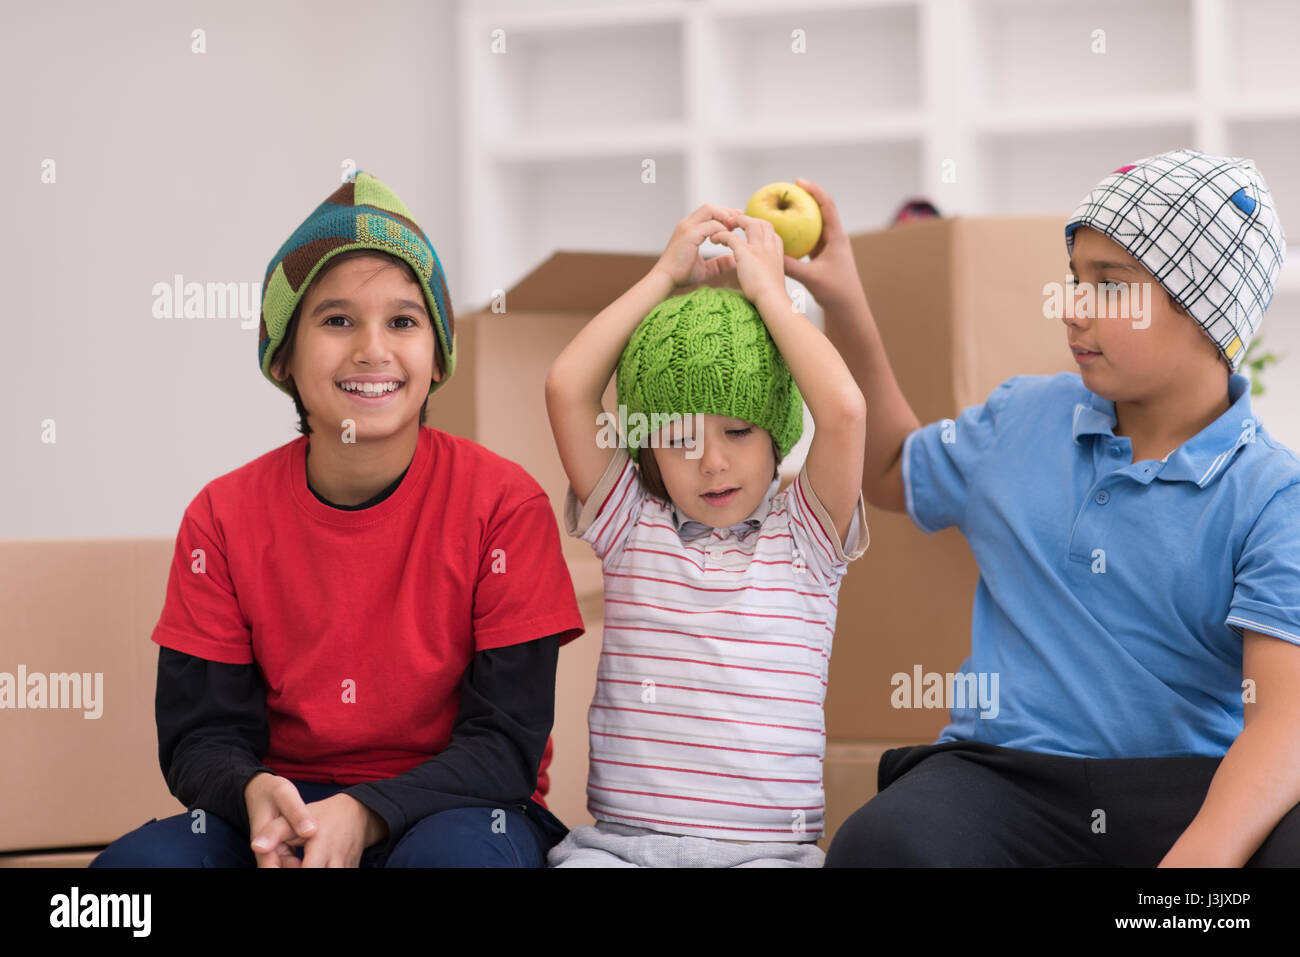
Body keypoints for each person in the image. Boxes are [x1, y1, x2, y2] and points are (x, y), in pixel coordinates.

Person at [789, 150, 1300, 866]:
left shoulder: (1274, 494)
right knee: (881, 846)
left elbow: (1285, 721)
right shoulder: (1024, 416)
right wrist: (842, 298)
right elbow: (890, 466)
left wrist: (1193, 872)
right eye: (1074, 279)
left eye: (1110, 285)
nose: (1073, 306)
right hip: (1000, 778)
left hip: (1184, 794)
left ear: (1208, 314)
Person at [91, 171, 584, 868]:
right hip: (285, 813)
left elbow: (505, 747)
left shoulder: (505, 505)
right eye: (337, 319)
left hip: (462, 810)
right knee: (128, 878)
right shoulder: (222, 516)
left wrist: (367, 813)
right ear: (284, 355)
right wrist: (254, 793)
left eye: (403, 321)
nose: (372, 349)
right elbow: (201, 737)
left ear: (439, 353)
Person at [543, 204, 869, 866]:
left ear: (776, 429)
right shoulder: (630, 524)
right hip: (623, 848)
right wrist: (664, 274)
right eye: (679, 437)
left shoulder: (803, 538)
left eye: (740, 430)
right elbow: (567, 388)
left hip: (770, 854)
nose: (713, 461)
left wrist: (770, 295)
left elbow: (843, 410)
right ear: (646, 448)